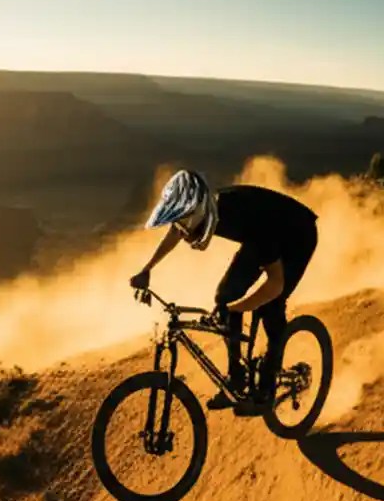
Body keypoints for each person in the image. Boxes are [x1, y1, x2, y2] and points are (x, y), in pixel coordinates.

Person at [129, 168, 318, 412]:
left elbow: (275, 284)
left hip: (297, 236)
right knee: (224, 296)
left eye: (188, 227)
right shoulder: (207, 211)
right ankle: (236, 379)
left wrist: (236, 308)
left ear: (199, 212)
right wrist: (147, 269)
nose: (186, 235)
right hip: (260, 235)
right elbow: (176, 231)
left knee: (270, 306)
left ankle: (268, 386)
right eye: (183, 225)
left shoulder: (248, 220)